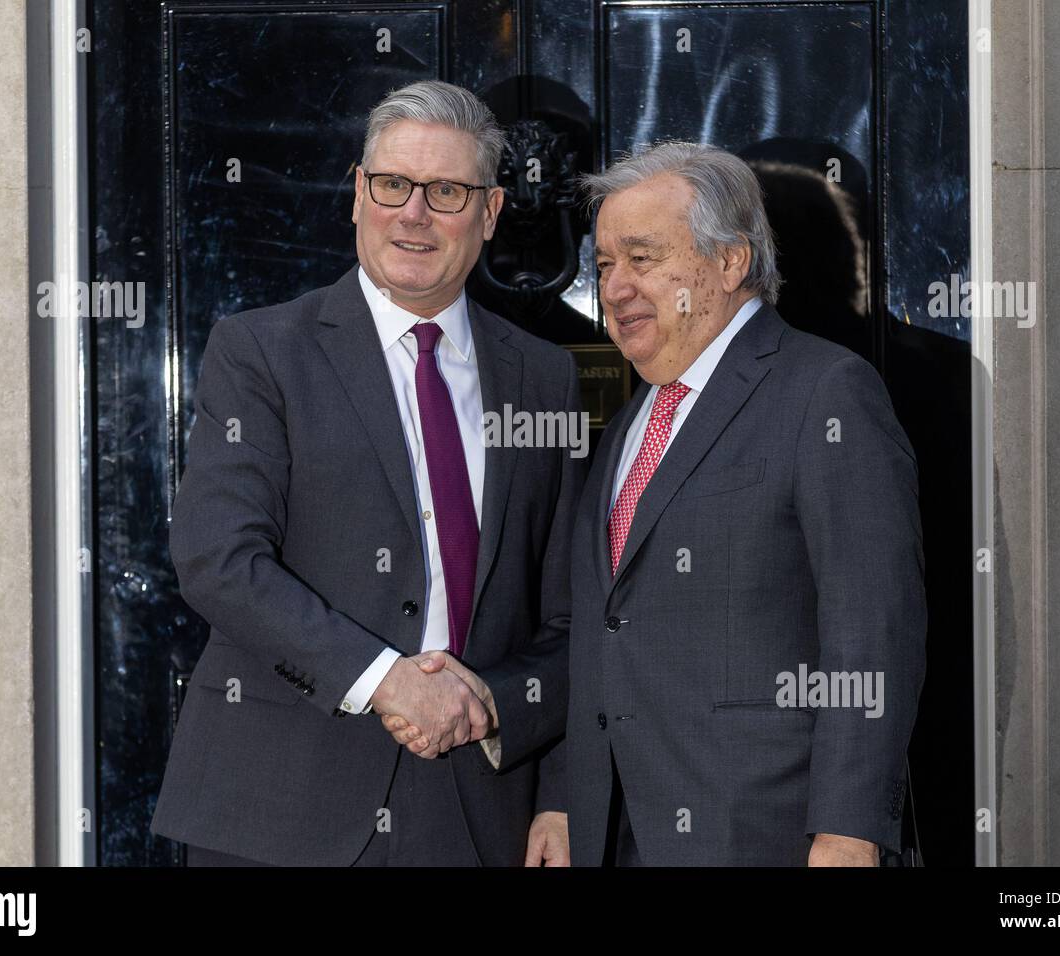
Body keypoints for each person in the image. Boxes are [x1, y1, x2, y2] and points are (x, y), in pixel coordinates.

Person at [151, 80, 580, 866]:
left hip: (478, 810)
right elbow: (218, 559)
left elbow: (569, 617)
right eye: (392, 185)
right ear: (357, 194)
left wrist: (554, 789)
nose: (413, 213)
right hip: (278, 807)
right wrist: (386, 680)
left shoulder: (545, 379)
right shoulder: (261, 353)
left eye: (447, 191)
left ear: (488, 214)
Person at [561, 141, 926, 866]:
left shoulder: (825, 392)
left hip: (767, 833)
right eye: (604, 265)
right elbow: (604, 633)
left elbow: (873, 628)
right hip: (618, 832)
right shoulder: (631, 423)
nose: (615, 287)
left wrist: (850, 829)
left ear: (729, 262)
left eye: (643, 258)